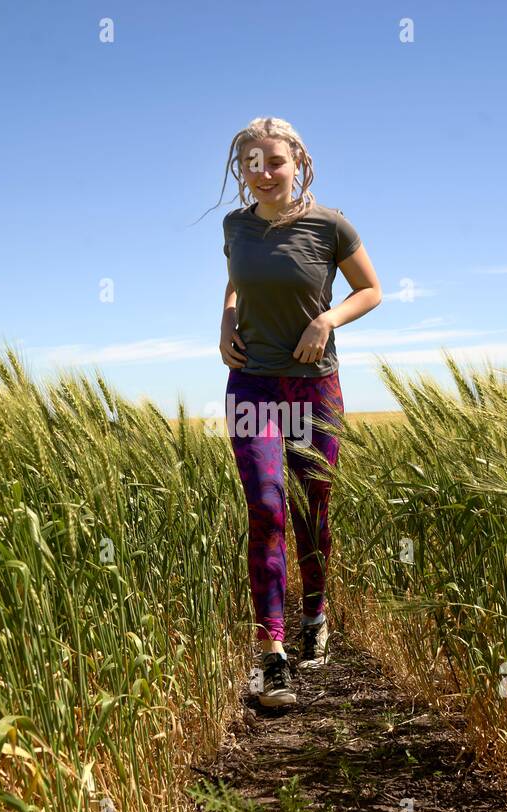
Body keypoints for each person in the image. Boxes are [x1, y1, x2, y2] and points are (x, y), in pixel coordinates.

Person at [215, 117, 381, 708]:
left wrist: (327, 319)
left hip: (316, 387)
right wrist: (227, 318)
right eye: (250, 163)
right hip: (251, 384)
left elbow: (370, 289)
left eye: (273, 162)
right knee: (264, 506)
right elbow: (236, 282)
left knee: (314, 508)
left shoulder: (329, 225)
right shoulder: (235, 227)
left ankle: (316, 610)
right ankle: (273, 654)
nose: (262, 173)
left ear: (298, 163)